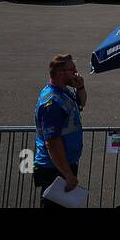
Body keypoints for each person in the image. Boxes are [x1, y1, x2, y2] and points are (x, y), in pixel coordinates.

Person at [34, 53, 87, 208]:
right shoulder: (52, 102)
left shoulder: (64, 92)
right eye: (72, 69)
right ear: (60, 73)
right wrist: (68, 175)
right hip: (54, 169)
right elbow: (53, 142)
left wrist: (80, 87)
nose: (76, 73)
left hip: (64, 166)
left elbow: (81, 103)